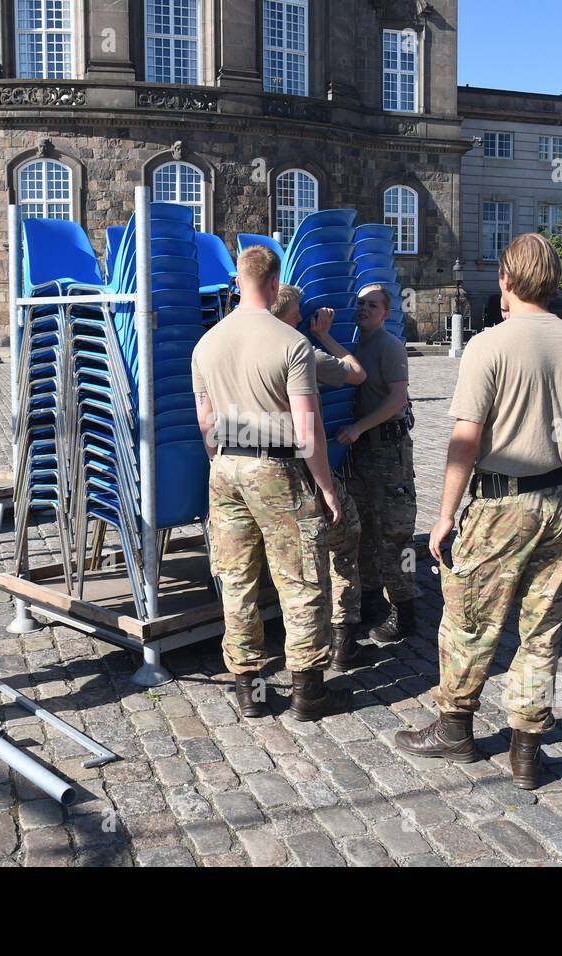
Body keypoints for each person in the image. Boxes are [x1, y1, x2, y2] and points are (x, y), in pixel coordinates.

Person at [395, 233, 562, 790]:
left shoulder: (488, 345)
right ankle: (526, 751)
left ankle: (456, 729)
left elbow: (466, 440)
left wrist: (444, 514)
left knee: (469, 623)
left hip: (498, 503)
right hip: (558, 499)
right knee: (543, 629)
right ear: (555, 282)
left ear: (506, 281)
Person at [192, 247, 351, 721]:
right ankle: (308, 692)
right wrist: (325, 488)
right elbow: (307, 430)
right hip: (276, 466)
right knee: (300, 577)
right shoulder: (291, 344)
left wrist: (220, 462)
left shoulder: (206, 343)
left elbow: (205, 419)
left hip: (225, 466)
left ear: (238, 280)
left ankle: (248, 689)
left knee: (237, 580)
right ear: (275, 280)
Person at [271, 285, 368, 669]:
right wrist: (324, 334)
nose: (301, 318)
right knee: (343, 539)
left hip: (256, 471)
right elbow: (357, 375)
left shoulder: (226, 344)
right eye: (296, 313)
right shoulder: (301, 350)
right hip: (303, 471)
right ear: (287, 315)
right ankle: (341, 644)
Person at [339, 285, 417, 645]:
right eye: (360, 304)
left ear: (386, 313)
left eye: (373, 305)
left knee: (395, 534)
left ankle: (405, 608)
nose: (364, 309)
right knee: (366, 530)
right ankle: (371, 597)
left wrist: (358, 427)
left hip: (388, 451)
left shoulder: (389, 346)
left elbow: (397, 399)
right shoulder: (358, 344)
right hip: (363, 454)